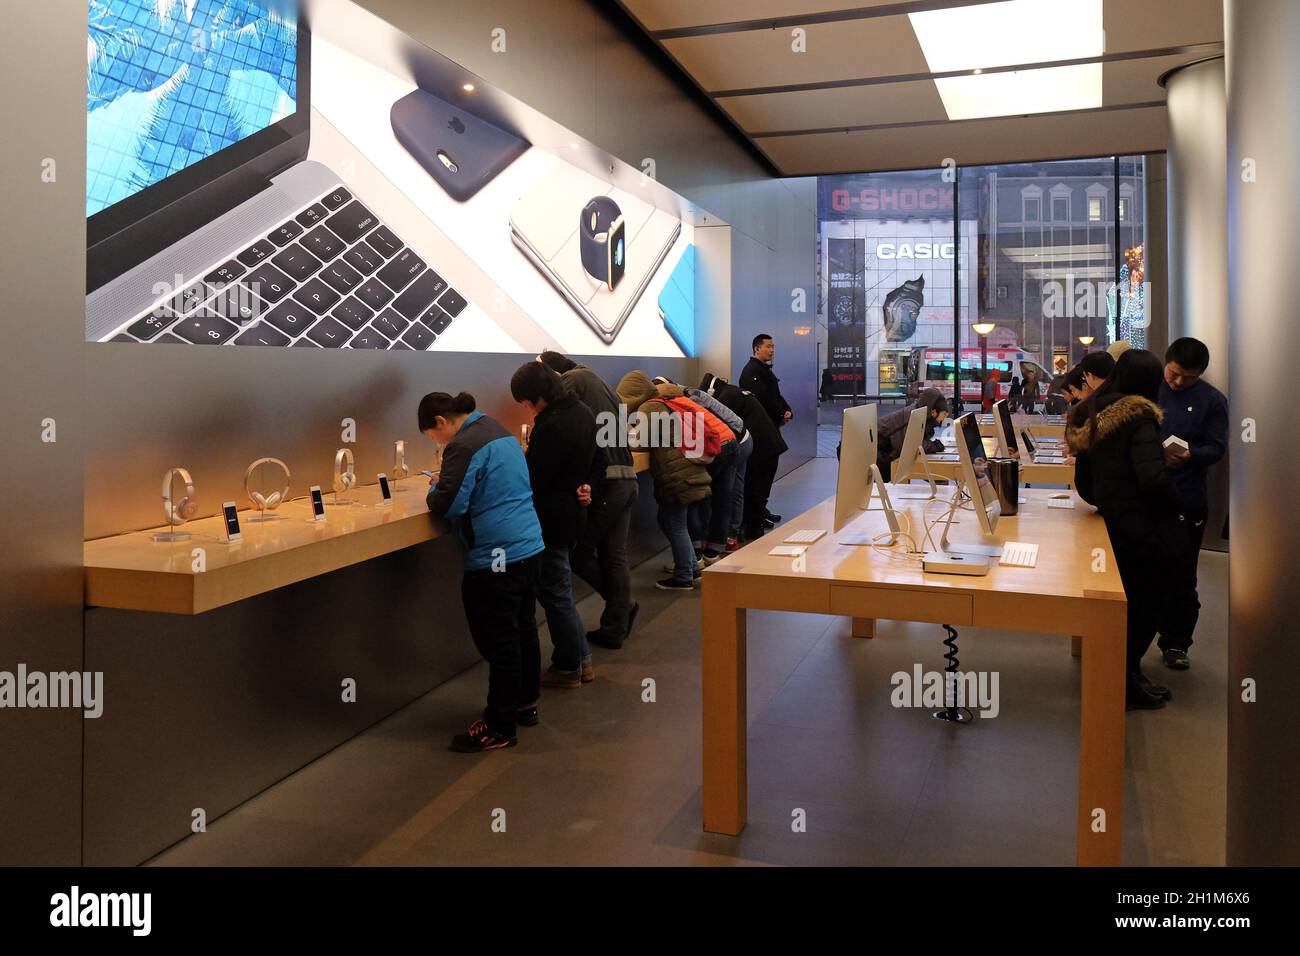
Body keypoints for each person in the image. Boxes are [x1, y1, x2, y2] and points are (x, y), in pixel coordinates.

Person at [1066, 350, 1192, 710]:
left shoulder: (1091, 411)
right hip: (1143, 529)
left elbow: (1085, 483)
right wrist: (1177, 505)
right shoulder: (1140, 417)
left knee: (1127, 605)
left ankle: (1126, 676)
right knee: (1146, 605)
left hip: (1112, 524)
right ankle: (1125, 680)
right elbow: (1152, 479)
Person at [419, 391, 545, 753]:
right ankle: (524, 703)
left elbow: (449, 504)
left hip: (495, 556)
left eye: (432, 435)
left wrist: (434, 489)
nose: (437, 442)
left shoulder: (463, 445)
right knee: (523, 629)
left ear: (440, 422)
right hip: (528, 545)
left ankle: (499, 726)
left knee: (499, 640)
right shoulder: (496, 429)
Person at [537, 351, 639, 650]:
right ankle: (616, 623)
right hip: (627, 477)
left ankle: (621, 610)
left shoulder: (570, 382)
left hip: (606, 482)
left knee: (580, 555)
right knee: (614, 555)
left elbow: (567, 424)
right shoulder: (598, 380)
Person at [510, 362, 599, 690]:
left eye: (524, 401)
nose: (525, 407)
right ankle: (583, 661)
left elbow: (536, 478)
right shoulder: (583, 412)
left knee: (555, 593)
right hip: (573, 515)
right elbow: (592, 462)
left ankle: (567, 667)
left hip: (551, 519)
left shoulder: (552, 425)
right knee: (560, 590)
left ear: (536, 396)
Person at [1155, 337, 1228, 670]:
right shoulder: (1149, 388)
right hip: (1149, 494)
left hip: (1188, 496)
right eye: (1174, 374)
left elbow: (1216, 449)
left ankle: (1176, 642)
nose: (1178, 382)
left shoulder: (1213, 401)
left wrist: (1191, 455)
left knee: (1182, 574)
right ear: (1165, 362)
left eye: (1188, 377)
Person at [617, 371, 712, 591]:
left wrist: (624, 435)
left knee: (675, 523)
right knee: (672, 521)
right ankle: (691, 569)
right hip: (687, 469)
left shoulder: (650, 407)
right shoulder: (666, 400)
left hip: (676, 474)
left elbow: (641, 442)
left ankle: (683, 577)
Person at [655, 376, 748, 563]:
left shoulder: (666, 404)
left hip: (714, 447)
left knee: (697, 498)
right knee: (723, 498)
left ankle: (695, 553)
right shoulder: (690, 396)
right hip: (732, 440)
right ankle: (714, 551)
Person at [701, 373, 787, 544]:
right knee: (755, 492)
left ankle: (750, 533)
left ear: (711, 391)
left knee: (748, 490)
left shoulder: (725, 398)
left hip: (759, 449)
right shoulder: (735, 392)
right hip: (769, 446)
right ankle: (745, 531)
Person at [740, 333, 791, 527]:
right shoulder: (752, 371)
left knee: (766, 474)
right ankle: (755, 516)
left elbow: (775, 395)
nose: (772, 350)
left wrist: (786, 410)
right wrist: (781, 413)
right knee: (759, 475)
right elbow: (763, 399)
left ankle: (761, 510)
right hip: (761, 433)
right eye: (768, 346)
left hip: (770, 429)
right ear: (756, 348)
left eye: (773, 347)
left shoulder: (763, 370)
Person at [874, 388, 948, 482]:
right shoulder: (912, 416)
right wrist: (934, 446)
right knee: (937, 474)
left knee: (938, 476)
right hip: (877, 455)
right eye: (944, 414)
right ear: (933, 412)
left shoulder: (920, 415)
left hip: (885, 454)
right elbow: (909, 444)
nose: (945, 418)